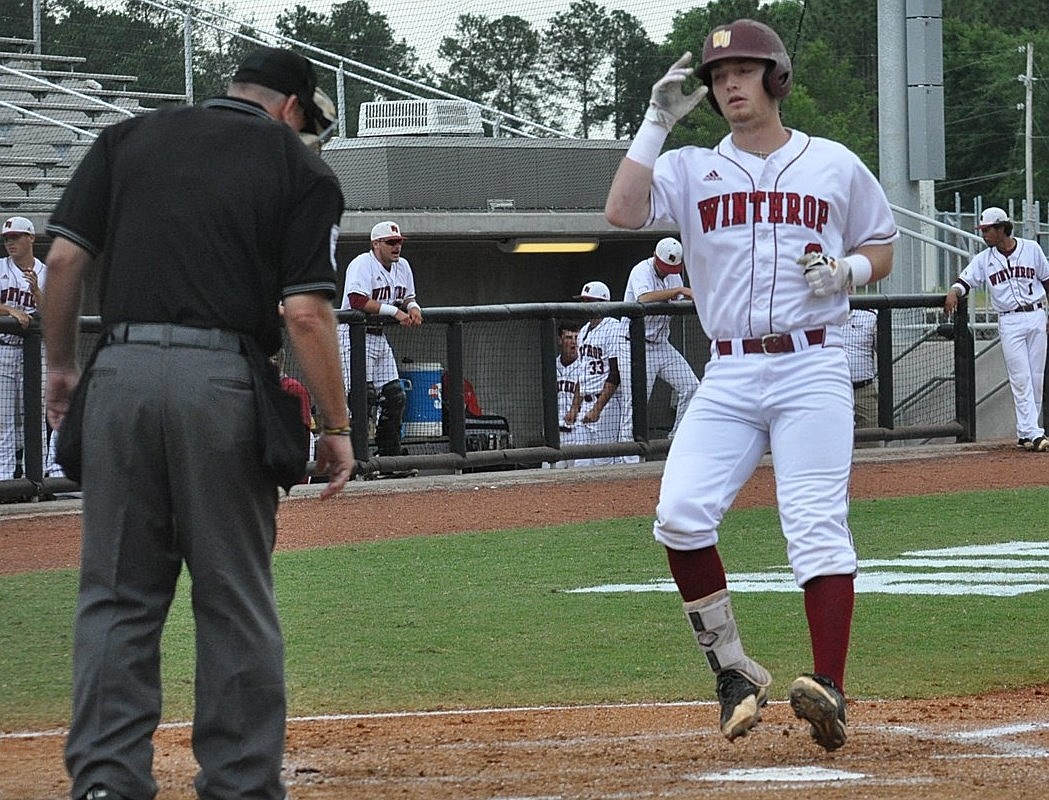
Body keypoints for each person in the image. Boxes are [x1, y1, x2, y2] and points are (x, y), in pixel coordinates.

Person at [42, 46, 355, 800]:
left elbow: (61, 262)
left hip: (117, 373)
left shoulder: (128, 137)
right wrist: (337, 426)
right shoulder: (298, 166)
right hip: (221, 383)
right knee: (232, 595)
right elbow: (305, 314)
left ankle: (107, 785)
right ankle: (240, 786)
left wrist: (61, 366)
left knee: (116, 596)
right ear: (289, 107)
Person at [604, 18, 898, 751]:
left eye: (743, 69)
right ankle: (733, 670)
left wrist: (848, 272)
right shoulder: (691, 167)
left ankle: (827, 685)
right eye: (717, 75)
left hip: (811, 363)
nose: (728, 83)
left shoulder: (829, 162)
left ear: (775, 77)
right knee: (677, 515)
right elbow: (621, 212)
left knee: (814, 525)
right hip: (729, 367)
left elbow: (882, 242)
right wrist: (652, 123)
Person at [944, 206, 1049, 452]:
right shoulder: (984, 259)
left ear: (1002, 228)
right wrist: (953, 291)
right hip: (1010, 320)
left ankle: (1026, 432)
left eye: (988, 229)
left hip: (1036, 314)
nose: (984, 234)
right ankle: (1035, 433)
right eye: (983, 230)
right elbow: (964, 281)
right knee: (1021, 378)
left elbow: (1047, 279)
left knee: (1036, 379)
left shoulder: (1031, 249)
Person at [338, 220, 423, 470]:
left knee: (395, 396)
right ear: (376, 244)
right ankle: (355, 463)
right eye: (391, 242)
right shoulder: (362, 264)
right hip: (353, 336)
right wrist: (395, 312)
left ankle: (388, 458)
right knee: (362, 399)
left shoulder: (402, 266)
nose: (397, 247)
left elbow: (408, 297)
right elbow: (356, 300)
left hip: (378, 336)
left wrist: (413, 308)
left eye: (399, 242)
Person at [619, 236, 700, 456]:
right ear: (655, 256)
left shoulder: (674, 276)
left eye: (672, 267)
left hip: (661, 345)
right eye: (664, 265)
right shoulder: (641, 270)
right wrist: (678, 291)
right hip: (633, 345)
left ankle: (675, 442)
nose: (668, 271)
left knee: (692, 387)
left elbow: (680, 300)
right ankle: (628, 464)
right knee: (636, 405)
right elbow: (644, 298)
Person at [0, 216, 58, 479]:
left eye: (15, 237)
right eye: (7, 238)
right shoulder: (0, 268)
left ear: (31, 238)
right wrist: (8, 309)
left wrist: (36, 292)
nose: (10, 243)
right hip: (4, 350)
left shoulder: (46, 273)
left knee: (34, 417)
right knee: (3, 421)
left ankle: (39, 477)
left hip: (35, 354)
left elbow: (53, 315)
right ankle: (4, 476)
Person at [567, 281, 624, 467]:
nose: (584, 305)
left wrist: (597, 408)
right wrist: (575, 406)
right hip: (586, 402)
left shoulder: (613, 327)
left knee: (604, 463)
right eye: (583, 301)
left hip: (607, 405)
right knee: (581, 464)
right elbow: (581, 373)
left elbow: (615, 373)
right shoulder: (583, 330)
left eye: (588, 301)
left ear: (602, 302)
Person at [547, 320, 588, 468]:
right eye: (569, 338)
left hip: (578, 433)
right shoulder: (550, 366)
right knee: (547, 478)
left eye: (576, 338)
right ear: (559, 340)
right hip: (556, 436)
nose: (573, 342)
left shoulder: (585, 366)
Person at [844, 307, 880, 447]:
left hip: (863, 390)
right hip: (830, 391)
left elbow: (882, 350)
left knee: (869, 446)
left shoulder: (870, 316)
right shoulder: (819, 315)